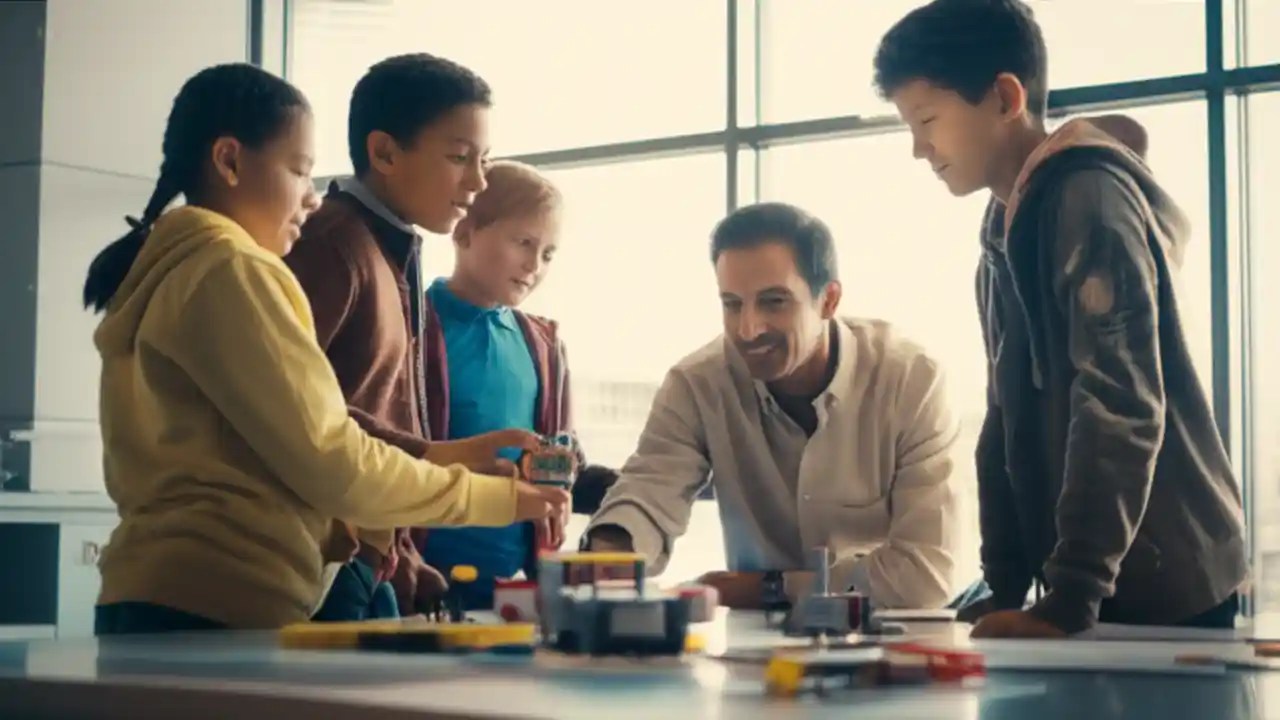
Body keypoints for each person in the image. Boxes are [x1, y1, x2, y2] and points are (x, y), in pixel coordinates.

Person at [83, 62, 566, 634]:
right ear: (230, 161)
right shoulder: (235, 268)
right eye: (299, 172)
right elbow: (332, 459)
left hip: (175, 592)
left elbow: (295, 431)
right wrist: (497, 500)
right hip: (218, 600)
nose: (311, 201)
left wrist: (440, 458)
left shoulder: (183, 265)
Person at [874, 0, 1246, 637]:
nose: (918, 149)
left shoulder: (1088, 199)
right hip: (1094, 589)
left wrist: (1072, 592)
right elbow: (1006, 415)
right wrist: (1007, 577)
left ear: (1005, 97)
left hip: (1167, 588)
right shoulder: (1001, 226)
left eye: (928, 120)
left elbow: (1121, 401)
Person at [585, 202, 960, 610]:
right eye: (732, 304)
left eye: (774, 301)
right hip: (754, 650)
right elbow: (649, 490)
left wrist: (767, 589)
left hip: (888, 641)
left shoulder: (911, 381)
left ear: (828, 301)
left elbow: (926, 578)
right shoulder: (697, 384)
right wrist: (611, 554)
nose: (748, 329)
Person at [285, 53, 543, 621]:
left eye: (485, 160)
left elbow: (376, 417)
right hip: (322, 564)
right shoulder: (333, 247)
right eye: (459, 157)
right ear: (384, 153)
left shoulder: (390, 249)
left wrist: (400, 553)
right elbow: (304, 423)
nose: (478, 181)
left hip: (370, 562)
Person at [410, 160, 618, 610]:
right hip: (424, 581)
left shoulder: (544, 344)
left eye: (548, 253)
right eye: (523, 242)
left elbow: (559, 456)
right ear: (464, 232)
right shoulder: (413, 329)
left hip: (518, 587)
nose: (534, 265)